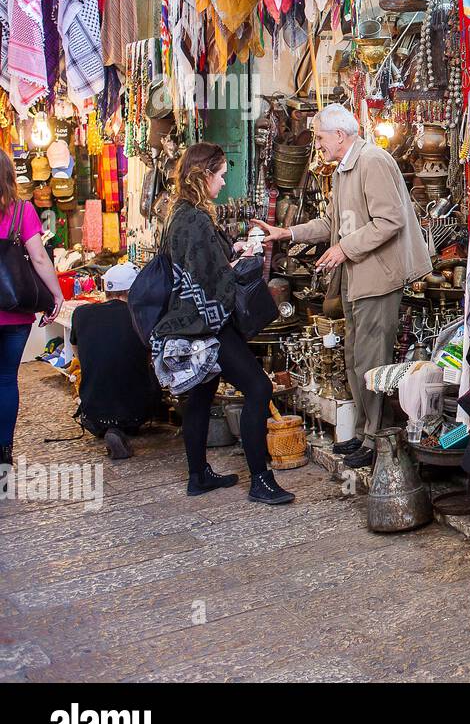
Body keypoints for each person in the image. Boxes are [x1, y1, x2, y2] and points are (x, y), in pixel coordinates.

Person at [254, 103, 432, 468]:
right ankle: (367, 433)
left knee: (372, 360)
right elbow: (331, 222)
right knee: (355, 358)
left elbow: (390, 220)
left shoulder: (373, 161)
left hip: (379, 277)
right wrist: (287, 232)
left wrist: (343, 248)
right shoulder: (342, 171)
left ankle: (377, 439)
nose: (317, 145)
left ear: (340, 134)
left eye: (319, 137)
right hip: (357, 277)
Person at [156, 142, 294, 504]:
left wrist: (227, 253)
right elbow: (209, 281)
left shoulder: (179, 213)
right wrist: (238, 264)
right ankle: (260, 480)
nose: (222, 184)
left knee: (201, 393)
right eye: (219, 176)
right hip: (208, 324)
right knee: (259, 389)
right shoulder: (197, 219)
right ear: (204, 176)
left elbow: (194, 264)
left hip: (188, 323)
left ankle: (198, 474)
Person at [0, 150, 62, 468]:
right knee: (7, 379)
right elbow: (39, 258)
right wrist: (56, 294)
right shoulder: (22, 210)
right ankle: (4, 454)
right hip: (16, 311)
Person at [69, 263, 159, 459]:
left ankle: (111, 428)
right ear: (132, 290)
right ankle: (119, 428)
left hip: (92, 408)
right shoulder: (141, 315)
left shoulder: (81, 313)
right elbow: (151, 356)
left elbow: (77, 353)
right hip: (137, 409)